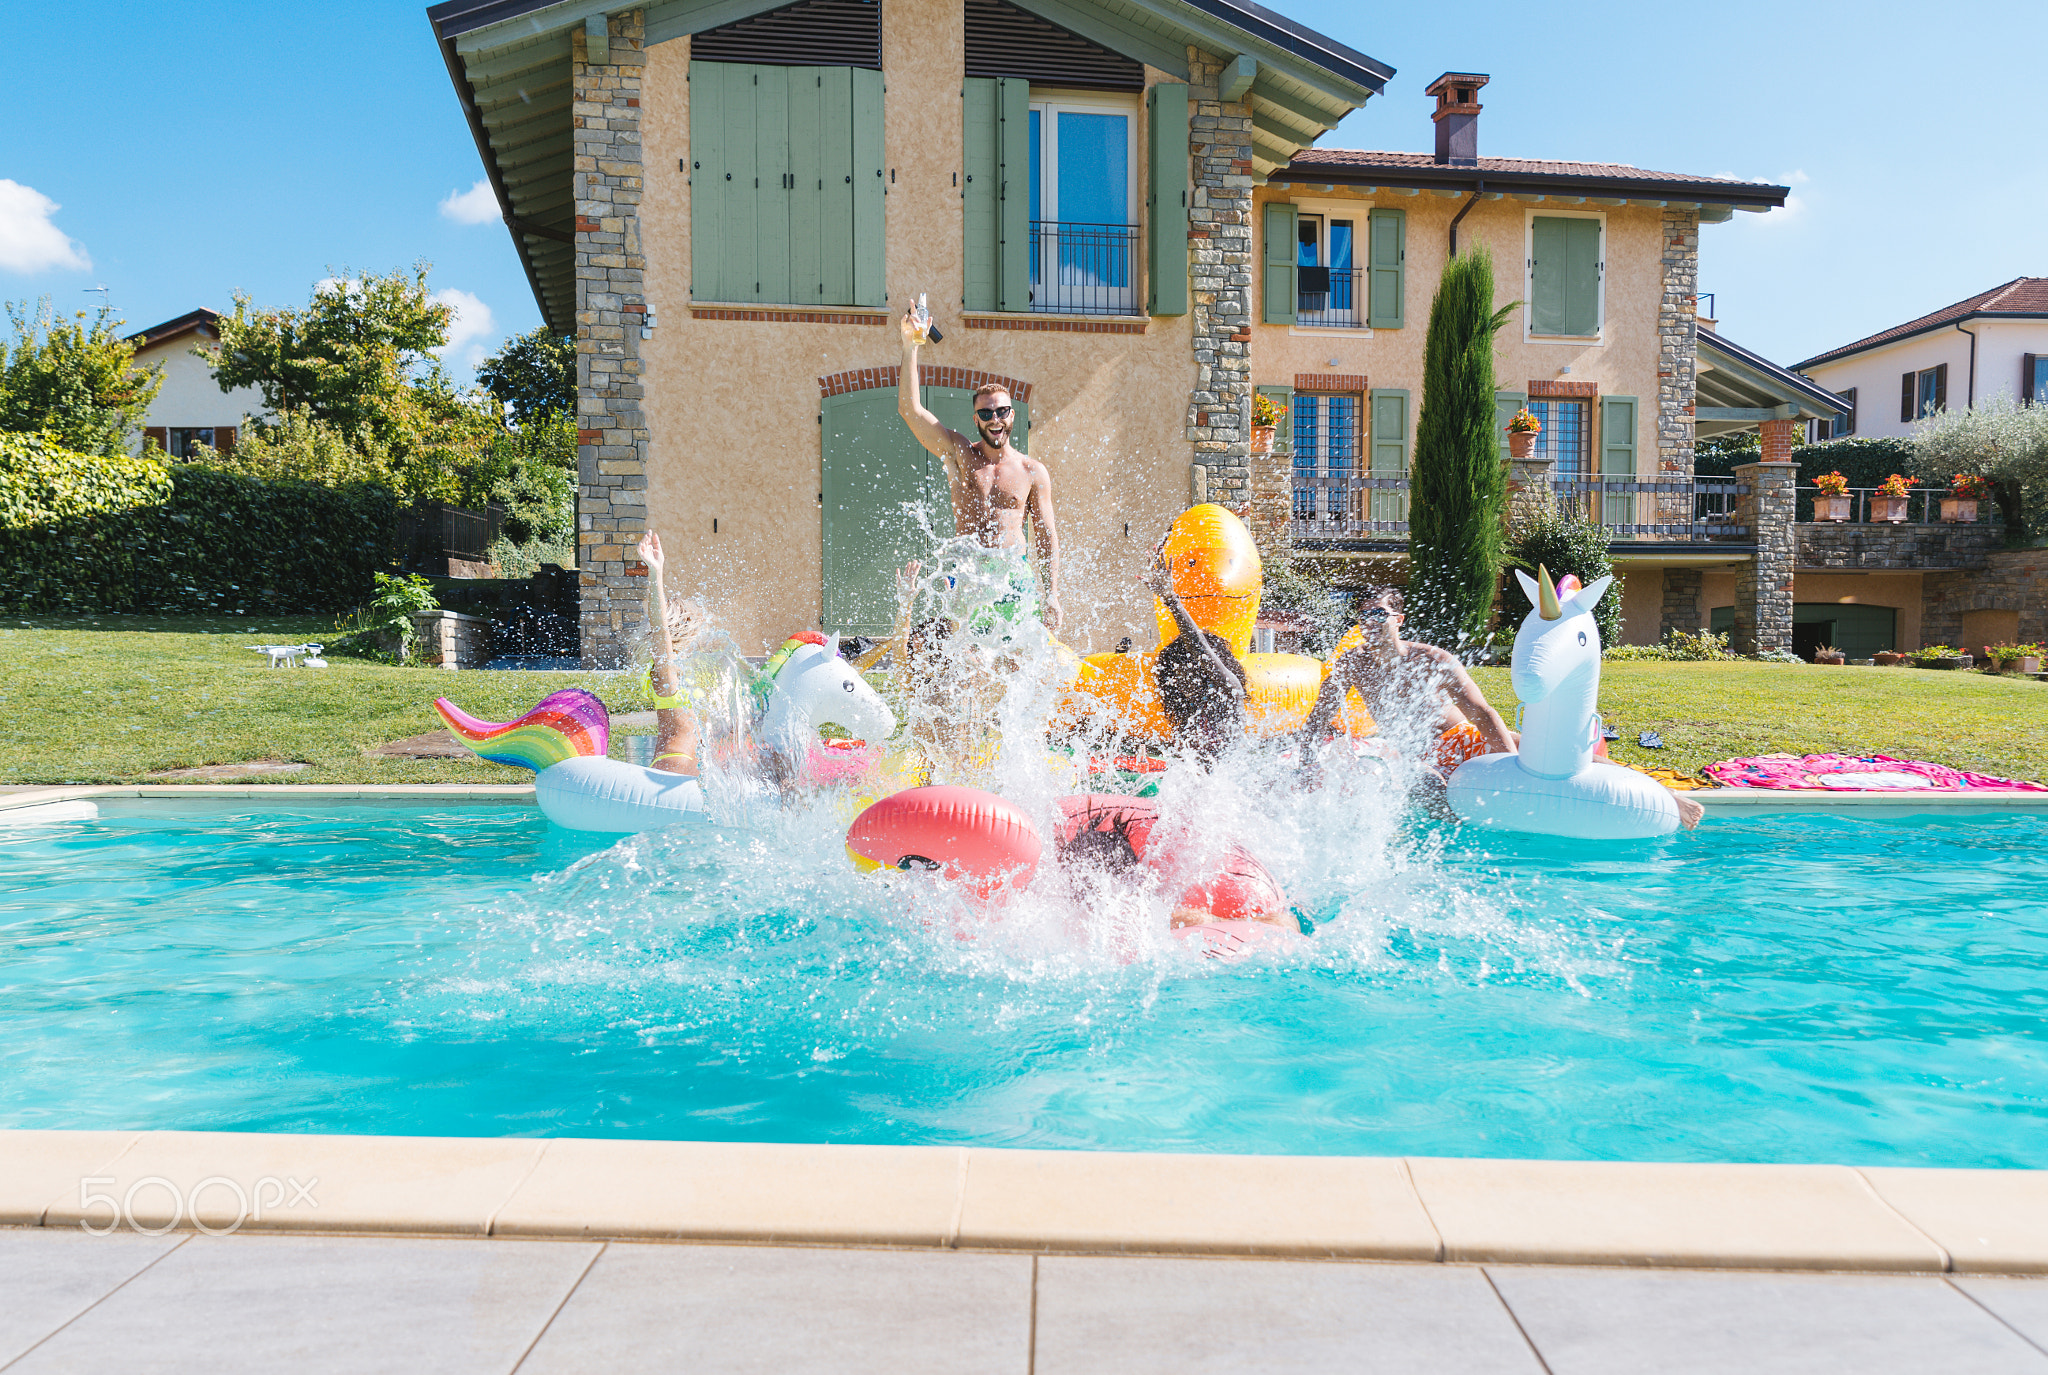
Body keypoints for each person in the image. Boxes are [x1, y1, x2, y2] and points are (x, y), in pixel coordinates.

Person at [1303, 585, 1704, 826]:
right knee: (1422, 780)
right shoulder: (1352, 663)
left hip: (1461, 738)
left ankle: (1670, 798)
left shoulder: (1432, 659)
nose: (1370, 622)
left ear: (1399, 619)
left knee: (1554, 753)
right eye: (1363, 616)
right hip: (1414, 753)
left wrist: (1510, 762)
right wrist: (1305, 762)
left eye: (1379, 614)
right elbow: (1318, 718)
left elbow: (1482, 714)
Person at [897, 310, 1063, 634]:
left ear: (1012, 415)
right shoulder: (960, 453)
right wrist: (909, 345)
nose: (994, 419)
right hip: (968, 571)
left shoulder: (1032, 471)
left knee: (1016, 662)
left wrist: (1052, 595)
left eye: (1001, 411)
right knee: (968, 661)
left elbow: (1046, 537)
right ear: (976, 420)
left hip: (1013, 574)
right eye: (985, 413)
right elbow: (910, 410)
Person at [1139, 558, 1248, 765]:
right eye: (1175, 673)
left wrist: (1171, 600)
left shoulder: (1229, 691)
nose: (1180, 680)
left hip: (1228, 785)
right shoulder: (1187, 709)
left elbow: (1200, 649)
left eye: (1187, 671)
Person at [636, 528, 712, 775]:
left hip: (686, 762)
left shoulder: (681, 676)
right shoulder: (666, 673)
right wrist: (655, 574)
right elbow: (660, 630)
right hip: (677, 763)